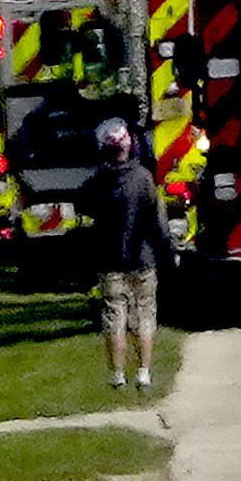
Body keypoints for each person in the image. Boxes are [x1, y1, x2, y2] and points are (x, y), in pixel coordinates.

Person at [81, 115, 178, 393]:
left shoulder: (97, 182)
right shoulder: (144, 179)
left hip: (110, 260)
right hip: (143, 260)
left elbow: (84, 207)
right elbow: (158, 223)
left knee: (115, 317)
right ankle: (144, 373)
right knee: (145, 315)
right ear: (129, 145)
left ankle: (117, 375)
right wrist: (168, 253)